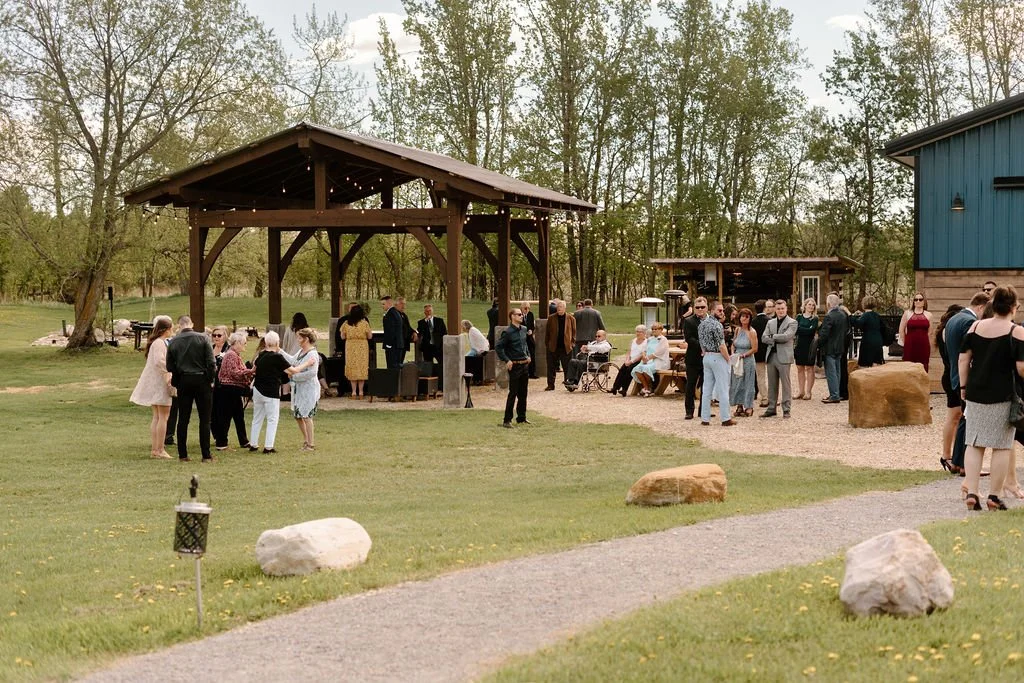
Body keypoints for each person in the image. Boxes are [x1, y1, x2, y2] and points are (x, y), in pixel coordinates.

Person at [957, 285, 1024, 512]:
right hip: (1003, 394)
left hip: (976, 391)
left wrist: (963, 386)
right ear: (1013, 307)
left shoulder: (975, 327)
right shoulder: (1016, 332)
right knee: (1001, 445)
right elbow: (1021, 368)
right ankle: (994, 496)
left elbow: (963, 359)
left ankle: (972, 492)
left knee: (974, 443)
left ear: (992, 305)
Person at [945, 291, 991, 475]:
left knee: (965, 420)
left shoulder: (953, 319)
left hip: (955, 375)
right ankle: (966, 465)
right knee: (971, 422)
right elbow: (971, 353)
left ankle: (957, 462)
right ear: (981, 306)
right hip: (967, 377)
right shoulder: (969, 322)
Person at [165, 315, 216, 462]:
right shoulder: (203, 338)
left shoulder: (173, 341)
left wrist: (177, 379)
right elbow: (211, 362)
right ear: (191, 324)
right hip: (202, 380)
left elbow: (170, 366)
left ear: (179, 325)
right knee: (205, 419)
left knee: (183, 418)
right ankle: (206, 455)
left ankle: (183, 454)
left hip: (184, 380)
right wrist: (210, 379)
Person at [129, 315, 175, 459]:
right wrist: (172, 369)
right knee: (163, 417)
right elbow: (159, 362)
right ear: (166, 329)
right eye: (171, 328)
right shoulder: (160, 343)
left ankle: (156, 449)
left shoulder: (156, 343)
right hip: (161, 383)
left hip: (156, 383)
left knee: (157, 416)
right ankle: (159, 449)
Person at [248, 331, 292, 454]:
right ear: (277, 343)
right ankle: (268, 446)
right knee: (272, 419)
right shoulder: (277, 357)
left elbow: (254, 369)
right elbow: (292, 371)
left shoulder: (261, 355)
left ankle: (253, 444)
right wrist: (307, 364)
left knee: (257, 418)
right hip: (271, 391)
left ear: (266, 343)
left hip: (258, 389)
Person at [214, 331, 254, 450]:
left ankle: (243, 441)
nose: (245, 345)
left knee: (238, 415)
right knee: (226, 417)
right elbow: (234, 373)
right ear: (237, 343)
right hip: (229, 389)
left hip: (232, 389)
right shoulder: (231, 355)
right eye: (244, 343)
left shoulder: (234, 354)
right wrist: (250, 371)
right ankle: (221, 443)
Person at [936, 304, 965, 471]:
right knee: (955, 416)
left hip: (948, 375)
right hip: (951, 376)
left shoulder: (944, 331)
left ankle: (951, 454)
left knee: (955, 416)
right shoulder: (949, 332)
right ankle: (948, 455)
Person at [697, 302, 734, 425]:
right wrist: (728, 359)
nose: (722, 313)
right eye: (720, 310)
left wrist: (705, 352)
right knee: (723, 388)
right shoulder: (717, 325)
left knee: (706, 389)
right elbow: (721, 345)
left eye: (722, 310)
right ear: (712, 310)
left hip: (706, 356)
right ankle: (725, 418)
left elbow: (701, 342)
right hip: (717, 357)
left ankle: (705, 418)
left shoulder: (702, 324)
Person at [283, 328, 320, 451]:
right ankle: (306, 440)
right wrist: (279, 351)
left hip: (309, 389)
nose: (297, 340)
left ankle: (310, 444)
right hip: (299, 389)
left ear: (306, 339)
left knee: (307, 416)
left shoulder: (312, 354)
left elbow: (312, 373)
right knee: (298, 415)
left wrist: (294, 376)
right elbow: (292, 360)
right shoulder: (301, 351)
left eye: (299, 338)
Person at [495, 307, 531, 427]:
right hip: (515, 366)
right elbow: (499, 347)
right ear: (513, 317)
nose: (521, 316)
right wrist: (507, 360)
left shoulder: (524, 329)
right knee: (513, 393)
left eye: (521, 314)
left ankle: (521, 417)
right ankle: (507, 420)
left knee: (523, 393)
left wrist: (528, 355)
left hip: (524, 365)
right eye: (519, 314)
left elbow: (525, 344)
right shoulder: (508, 332)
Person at [761, 299, 796, 418]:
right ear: (775, 310)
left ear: (786, 309)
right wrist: (776, 338)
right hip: (771, 356)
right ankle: (771, 408)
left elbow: (787, 337)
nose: (780, 311)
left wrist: (772, 336)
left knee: (786, 384)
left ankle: (786, 409)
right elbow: (763, 338)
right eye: (778, 309)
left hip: (784, 357)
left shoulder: (792, 322)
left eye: (782, 308)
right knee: (772, 384)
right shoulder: (770, 322)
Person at [818, 293, 849, 404]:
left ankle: (834, 395)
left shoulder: (829, 316)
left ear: (828, 304)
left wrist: (818, 343)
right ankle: (837, 393)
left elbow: (824, 334)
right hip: (840, 346)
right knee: (837, 371)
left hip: (830, 348)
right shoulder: (843, 315)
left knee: (831, 373)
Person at [683, 297, 708, 419]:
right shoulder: (688, 321)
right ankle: (689, 411)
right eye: (697, 307)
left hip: (708, 359)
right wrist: (703, 346)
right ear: (694, 308)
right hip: (693, 358)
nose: (700, 309)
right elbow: (689, 338)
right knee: (690, 385)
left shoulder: (712, 320)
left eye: (702, 307)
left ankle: (703, 410)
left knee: (706, 386)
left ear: (706, 307)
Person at [340, 305, 373, 399]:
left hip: (350, 347)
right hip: (362, 347)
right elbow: (370, 336)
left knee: (352, 367)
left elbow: (342, 336)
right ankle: (361, 392)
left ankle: (354, 392)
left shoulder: (346, 323)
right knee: (361, 367)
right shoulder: (364, 323)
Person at [729, 308, 757, 417]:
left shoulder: (752, 332)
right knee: (737, 382)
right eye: (742, 316)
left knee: (748, 383)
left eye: (746, 317)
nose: (744, 319)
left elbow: (755, 348)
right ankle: (739, 404)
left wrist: (744, 355)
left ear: (750, 319)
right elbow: (734, 344)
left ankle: (749, 406)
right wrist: (733, 353)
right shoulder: (737, 330)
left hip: (747, 360)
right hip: (737, 360)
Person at [631, 322, 669, 397]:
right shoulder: (650, 339)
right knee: (637, 369)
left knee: (645, 369)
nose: (654, 330)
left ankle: (650, 387)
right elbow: (644, 350)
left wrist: (648, 358)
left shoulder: (663, 340)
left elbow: (659, 353)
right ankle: (646, 388)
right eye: (652, 329)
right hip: (647, 360)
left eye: (656, 329)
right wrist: (644, 356)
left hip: (659, 361)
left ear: (660, 330)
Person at [545, 300, 576, 391]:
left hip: (566, 347)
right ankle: (551, 385)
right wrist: (547, 344)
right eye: (558, 307)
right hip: (553, 347)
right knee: (551, 367)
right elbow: (547, 332)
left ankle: (568, 384)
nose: (559, 309)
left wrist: (572, 343)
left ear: (565, 308)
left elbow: (574, 332)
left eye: (561, 307)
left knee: (567, 367)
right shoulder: (551, 318)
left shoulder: (571, 318)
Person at [794, 298, 820, 400]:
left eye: (813, 305)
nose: (811, 306)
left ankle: (808, 392)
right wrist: (806, 329)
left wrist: (801, 329)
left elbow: (811, 331)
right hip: (799, 345)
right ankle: (801, 391)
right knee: (799, 368)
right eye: (809, 304)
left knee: (809, 368)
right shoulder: (799, 317)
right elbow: (795, 329)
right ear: (805, 306)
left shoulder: (815, 318)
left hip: (810, 346)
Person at [900, 293, 933, 371]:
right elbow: (901, 330)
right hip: (910, 345)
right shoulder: (907, 313)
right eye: (916, 299)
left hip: (924, 346)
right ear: (913, 302)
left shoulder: (929, 315)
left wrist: (928, 345)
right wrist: (905, 343)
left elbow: (930, 332)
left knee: (923, 367)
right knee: (909, 368)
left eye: (920, 299)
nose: (918, 301)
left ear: (924, 301)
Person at [611, 325, 647, 396]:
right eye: (637, 331)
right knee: (622, 369)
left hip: (639, 361)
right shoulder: (633, 340)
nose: (638, 333)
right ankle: (615, 388)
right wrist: (627, 360)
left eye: (640, 332)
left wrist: (631, 362)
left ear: (644, 333)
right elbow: (629, 352)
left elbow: (641, 355)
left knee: (629, 370)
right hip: (631, 360)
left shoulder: (646, 342)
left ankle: (624, 389)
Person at [852, 296, 885, 367]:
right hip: (878, 341)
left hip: (868, 341)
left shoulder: (865, 315)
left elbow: (858, 324)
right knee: (876, 363)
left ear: (864, 304)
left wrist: (851, 315)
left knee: (866, 364)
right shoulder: (876, 315)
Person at [752, 299, 772, 407]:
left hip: (758, 352)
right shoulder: (770, 321)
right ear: (765, 308)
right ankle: (772, 397)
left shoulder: (753, 322)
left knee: (760, 377)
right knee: (772, 376)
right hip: (769, 351)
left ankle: (765, 398)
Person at [416, 304, 447, 368]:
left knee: (442, 364)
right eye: (427, 311)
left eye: (430, 310)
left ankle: (440, 374)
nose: (428, 312)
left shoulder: (439, 321)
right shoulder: (421, 322)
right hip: (427, 347)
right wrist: (425, 321)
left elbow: (444, 333)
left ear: (432, 311)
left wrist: (442, 345)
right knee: (428, 366)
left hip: (438, 347)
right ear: (424, 312)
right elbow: (419, 332)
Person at [381, 296, 404, 369]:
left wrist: (388, 344)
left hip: (393, 346)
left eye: (383, 304)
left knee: (392, 368)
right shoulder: (396, 312)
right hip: (398, 345)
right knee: (396, 367)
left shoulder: (390, 314)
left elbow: (391, 331)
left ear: (389, 303)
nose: (382, 306)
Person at [521, 302, 538, 379]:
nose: (527, 310)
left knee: (532, 354)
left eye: (528, 308)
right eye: (525, 308)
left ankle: (532, 373)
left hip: (529, 338)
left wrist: (531, 330)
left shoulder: (530, 314)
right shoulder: (519, 314)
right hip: (522, 338)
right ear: (522, 308)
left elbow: (532, 325)